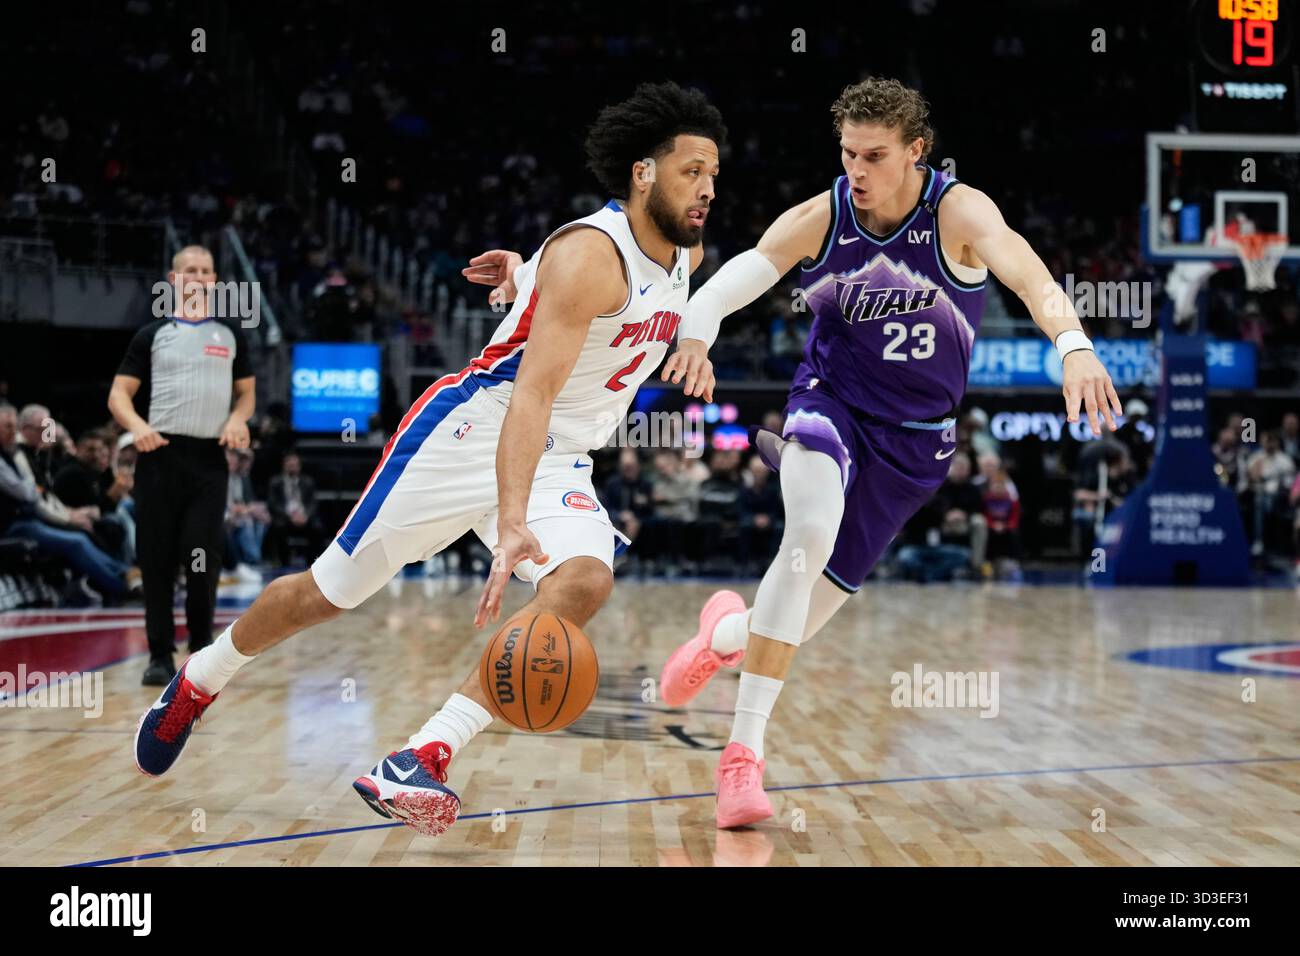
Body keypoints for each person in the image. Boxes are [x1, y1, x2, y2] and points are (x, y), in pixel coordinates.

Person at [132, 82, 726, 839]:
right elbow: (530, 395)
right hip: (473, 431)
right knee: (328, 592)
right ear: (643, 172)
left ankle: (423, 755)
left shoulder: (684, 250)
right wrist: (511, 520)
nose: (707, 188)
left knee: (584, 579)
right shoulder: (590, 257)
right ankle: (199, 680)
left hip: (558, 455)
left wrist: (532, 281)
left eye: (713, 173)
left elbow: (630, 303)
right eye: (691, 171)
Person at [656, 76, 1120, 828]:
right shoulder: (825, 214)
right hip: (828, 406)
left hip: (915, 450)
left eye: (875, 155)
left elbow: (1029, 273)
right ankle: (741, 758)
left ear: (917, 152)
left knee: (789, 627)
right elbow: (743, 270)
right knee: (805, 534)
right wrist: (698, 330)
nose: (857, 171)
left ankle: (723, 635)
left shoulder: (958, 212)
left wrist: (1073, 345)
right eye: (847, 154)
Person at [107, 245, 257, 685]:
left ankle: (199, 653)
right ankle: (158, 655)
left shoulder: (230, 335)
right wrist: (137, 427)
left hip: (208, 462)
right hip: (159, 460)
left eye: (205, 271)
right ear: (173, 280)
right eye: (189, 270)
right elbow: (118, 395)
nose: (197, 276)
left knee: (201, 559)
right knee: (155, 561)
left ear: (214, 281)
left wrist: (236, 419)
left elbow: (246, 395)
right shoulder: (152, 335)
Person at [265, 451, 323, 566]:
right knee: (278, 526)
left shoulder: (308, 482)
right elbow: (273, 504)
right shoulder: (275, 482)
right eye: (289, 464)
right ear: (284, 465)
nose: (292, 467)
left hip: (304, 517)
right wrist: (289, 516)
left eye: (294, 465)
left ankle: (312, 562)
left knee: (317, 527)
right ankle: (284, 561)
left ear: (299, 466)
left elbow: (313, 503)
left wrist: (306, 515)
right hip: (285, 517)